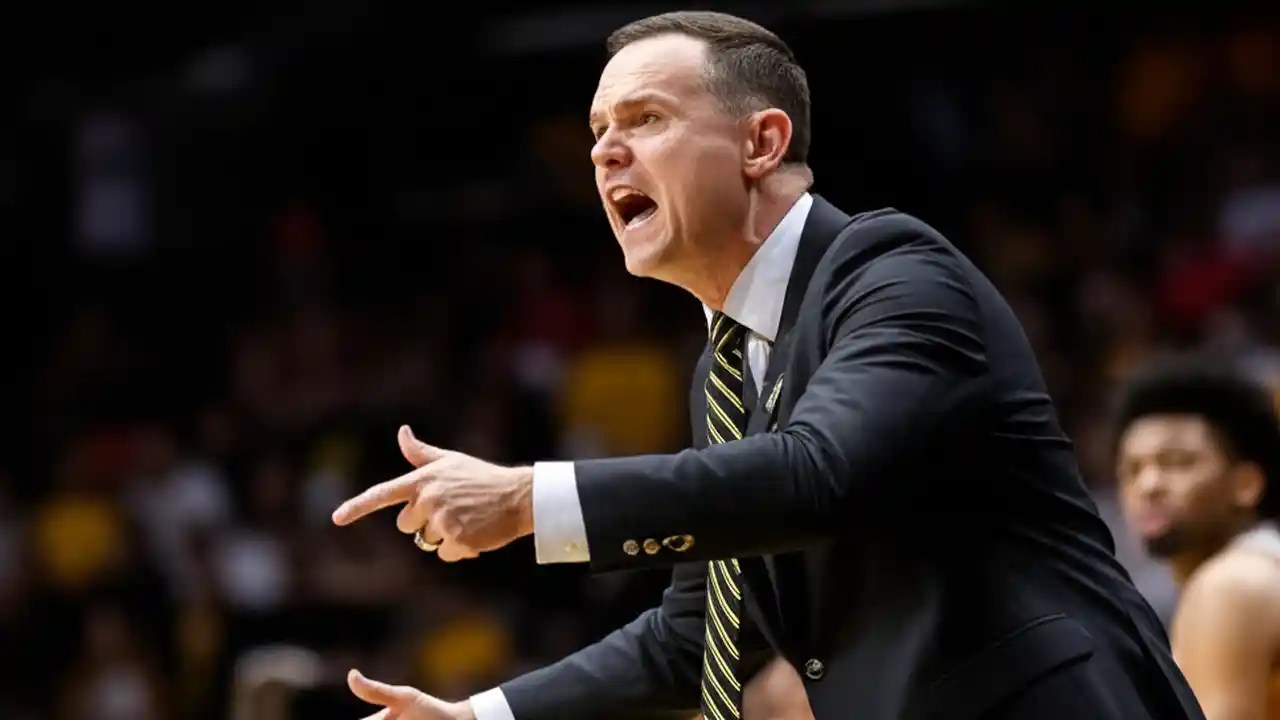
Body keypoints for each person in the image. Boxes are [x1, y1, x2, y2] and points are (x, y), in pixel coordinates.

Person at [330, 10, 1206, 720]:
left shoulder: (893, 270)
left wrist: (533, 499)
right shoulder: (727, 368)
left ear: (762, 143)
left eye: (645, 120)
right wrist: (481, 716)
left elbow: (821, 474)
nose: (602, 153)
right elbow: (697, 637)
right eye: (598, 130)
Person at [1113, 354, 1280, 720]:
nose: (1149, 485)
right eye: (1132, 469)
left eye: (1177, 462)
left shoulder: (1231, 586)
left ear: (1246, 484)